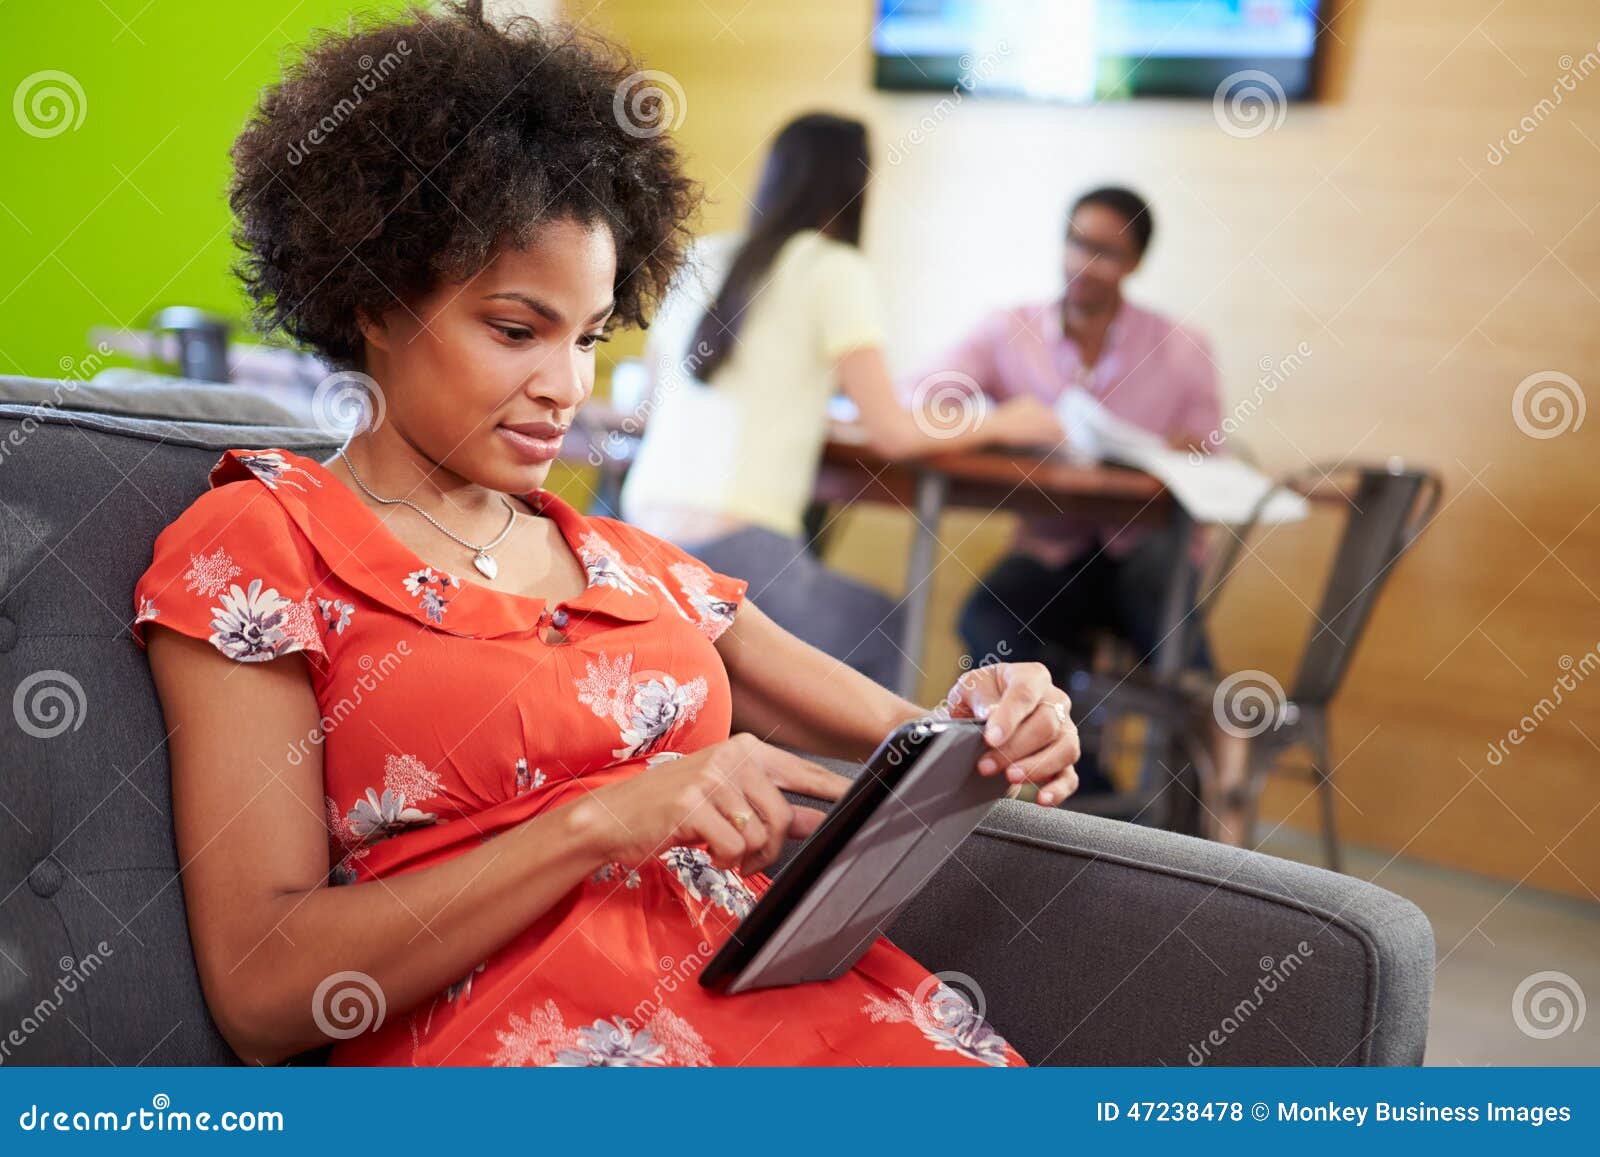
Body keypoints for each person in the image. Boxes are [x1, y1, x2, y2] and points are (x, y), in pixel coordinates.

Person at [130, 2, 1080, 1069]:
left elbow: (924, 742)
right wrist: (603, 819)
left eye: (588, 336)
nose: (566, 387)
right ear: (372, 299)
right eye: (514, 329)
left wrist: (1002, 717)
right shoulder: (264, 546)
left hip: (789, 1019)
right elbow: (263, 987)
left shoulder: (632, 565)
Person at [619, 112, 1063, 689]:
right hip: (735, 552)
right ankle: (856, 783)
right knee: (887, 625)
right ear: (854, 188)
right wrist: (1008, 420)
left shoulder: (705, 255)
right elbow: (894, 435)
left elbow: (650, 403)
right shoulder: (834, 269)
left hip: (637, 539)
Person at [910, 187, 1223, 708]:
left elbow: (1212, 466)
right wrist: (1002, 421)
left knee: (1167, 634)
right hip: (1054, 550)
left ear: (1136, 262)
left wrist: (1190, 453)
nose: (1085, 263)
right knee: (987, 620)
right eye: (1077, 243)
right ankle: (1076, 774)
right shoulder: (1011, 329)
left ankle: (1203, 749)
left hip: (1146, 550)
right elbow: (919, 393)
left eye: (1107, 252)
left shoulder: (1183, 348)